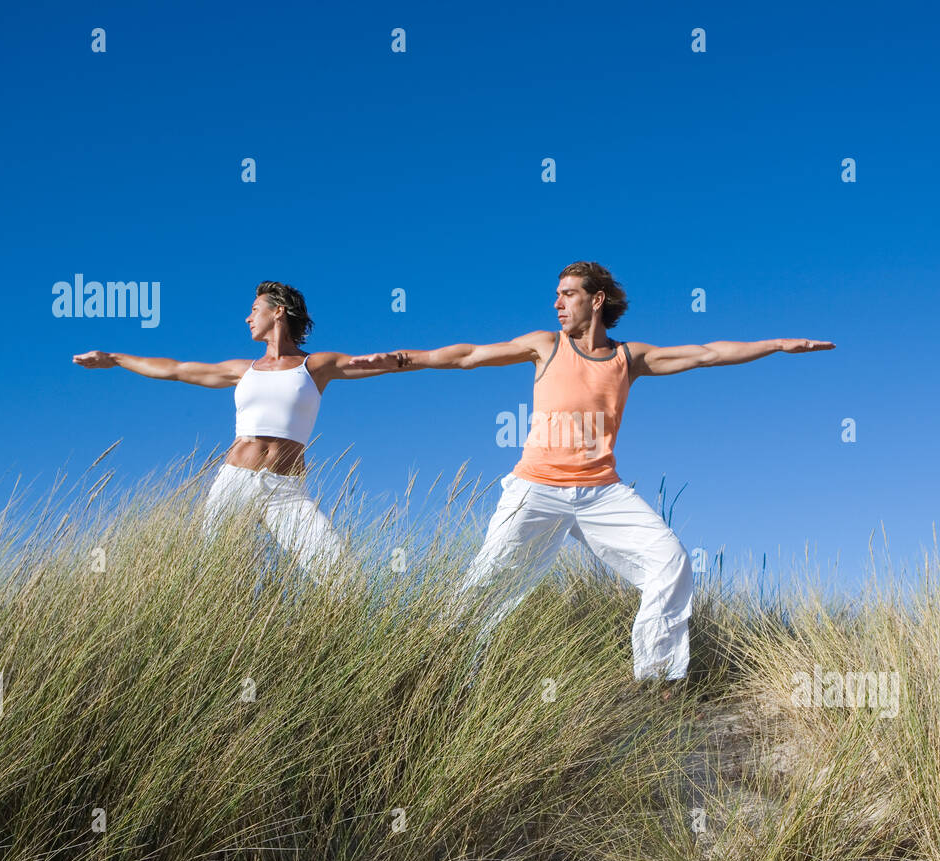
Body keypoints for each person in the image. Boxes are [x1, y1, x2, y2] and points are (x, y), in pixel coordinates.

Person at [348, 261, 835, 684]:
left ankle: (656, 679)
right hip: (536, 488)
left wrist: (776, 344)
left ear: (596, 300)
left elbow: (707, 353)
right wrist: (398, 360)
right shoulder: (545, 346)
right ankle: (440, 670)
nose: (556, 303)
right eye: (556, 295)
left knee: (671, 562)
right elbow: (467, 355)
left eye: (568, 294)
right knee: (486, 583)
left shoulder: (629, 357)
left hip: (602, 492)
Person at [73, 280, 391, 586]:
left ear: (278, 311)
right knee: (219, 579)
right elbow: (176, 369)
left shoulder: (315, 366)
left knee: (341, 573)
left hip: (286, 491)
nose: (248, 317)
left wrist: (438, 359)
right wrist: (115, 359)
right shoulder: (243, 370)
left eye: (255, 309)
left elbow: (399, 363)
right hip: (234, 483)